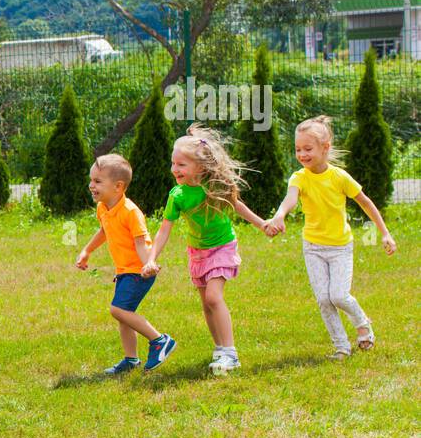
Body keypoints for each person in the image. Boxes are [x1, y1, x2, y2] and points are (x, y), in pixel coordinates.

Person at [141, 125, 270, 375]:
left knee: (213, 297)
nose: (174, 169)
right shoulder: (177, 195)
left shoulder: (214, 186)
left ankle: (231, 353)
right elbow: (164, 229)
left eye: (181, 165)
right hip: (197, 252)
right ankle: (220, 347)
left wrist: (262, 224)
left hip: (222, 246)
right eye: (173, 163)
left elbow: (237, 206)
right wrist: (151, 258)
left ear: (199, 167)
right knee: (206, 303)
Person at [266, 115, 397, 357]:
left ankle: (363, 325)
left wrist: (385, 233)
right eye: (297, 149)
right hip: (313, 247)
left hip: (340, 247)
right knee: (324, 300)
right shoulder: (299, 177)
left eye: (308, 148)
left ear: (325, 148)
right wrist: (280, 215)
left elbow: (366, 203)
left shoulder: (339, 177)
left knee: (338, 295)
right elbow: (290, 199)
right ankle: (341, 346)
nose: (302, 154)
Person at [75, 154, 175, 374]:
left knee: (118, 310)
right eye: (91, 180)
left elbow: (141, 242)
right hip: (124, 271)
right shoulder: (103, 208)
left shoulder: (131, 212)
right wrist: (87, 251)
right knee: (124, 316)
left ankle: (159, 340)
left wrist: (149, 264)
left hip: (139, 271)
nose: (91, 185)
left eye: (98, 181)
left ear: (118, 186)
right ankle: (131, 360)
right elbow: (104, 231)